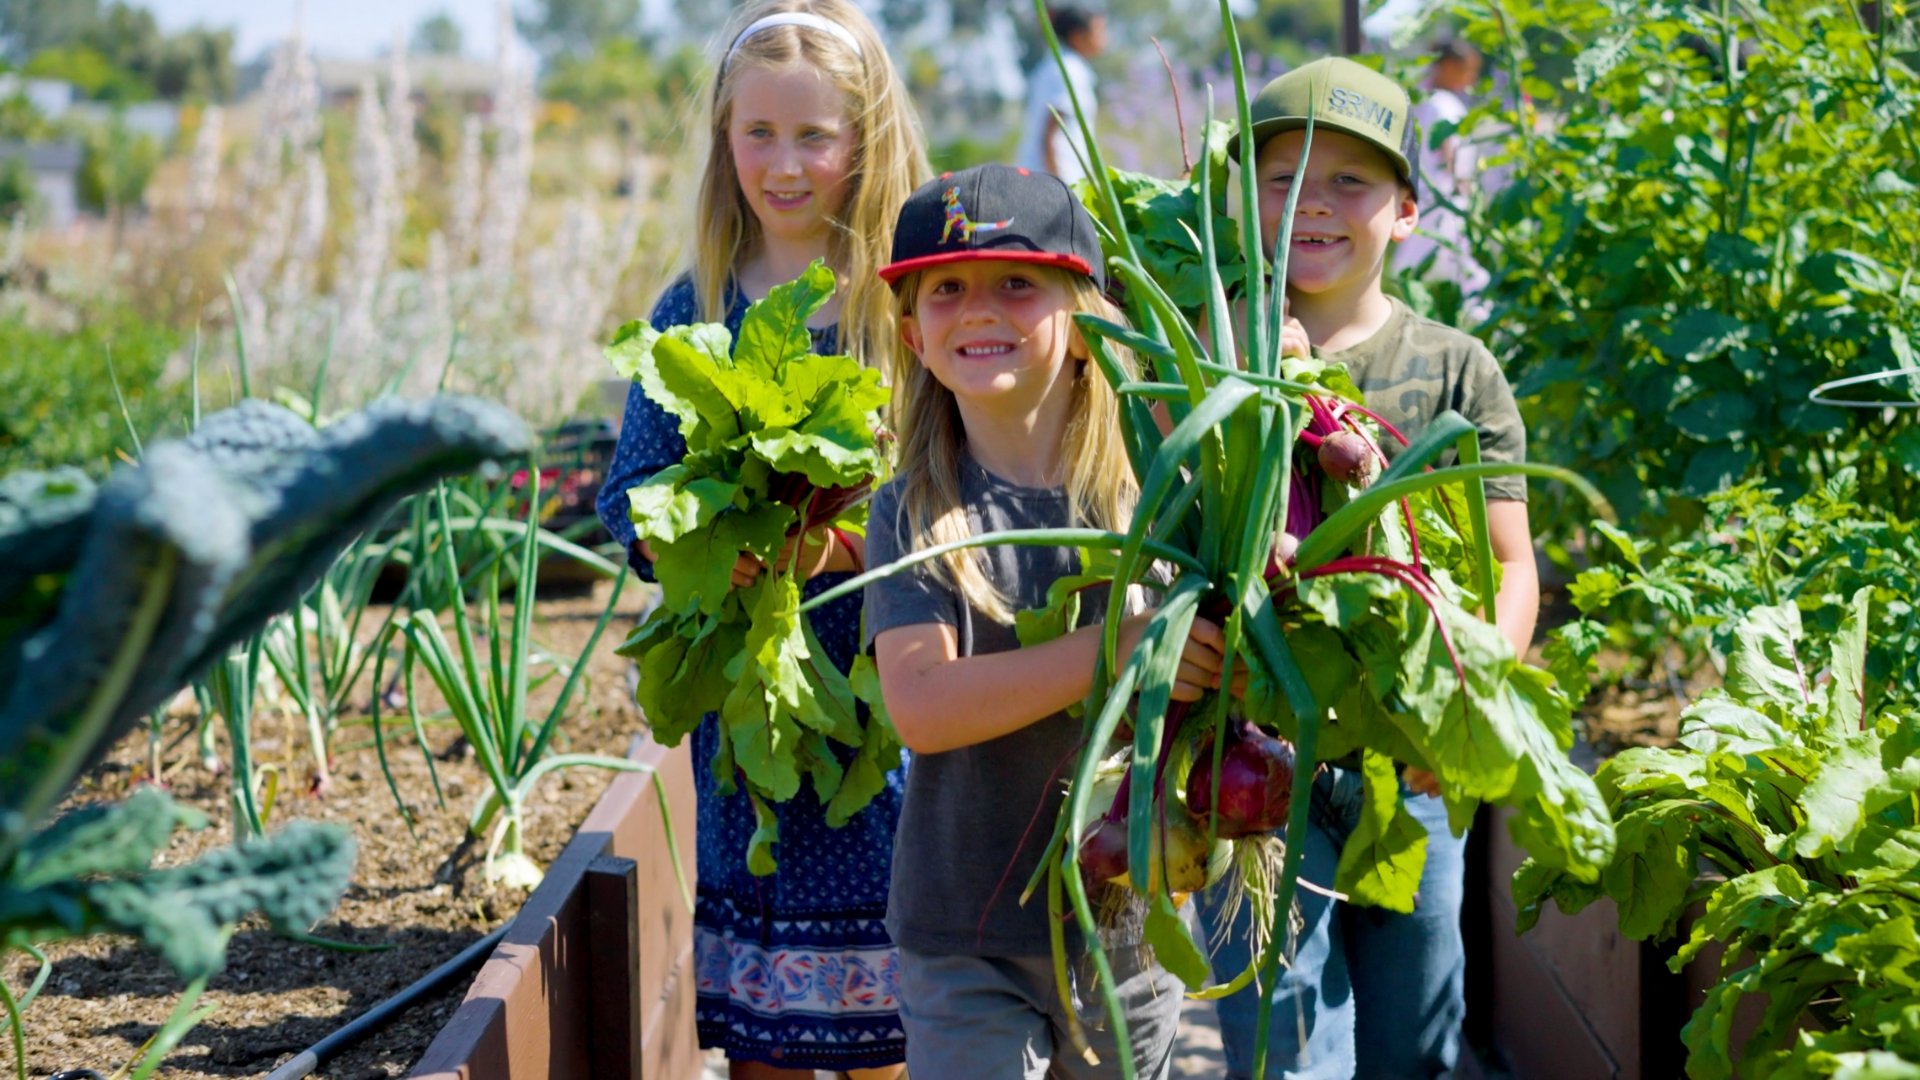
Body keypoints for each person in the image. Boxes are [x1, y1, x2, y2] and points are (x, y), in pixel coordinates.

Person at [592, 3, 928, 1076]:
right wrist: (704, 548)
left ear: (865, 141)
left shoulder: (903, 309)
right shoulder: (694, 307)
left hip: (887, 685)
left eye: (815, 137)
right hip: (748, 708)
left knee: (885, 1010)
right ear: (724, 139)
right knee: (765, 1032)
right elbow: (630, 497)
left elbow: (957, 494)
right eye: (759, 135)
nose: (785, 165)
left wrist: (845, 547)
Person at [1197, 56, 1537, 1079]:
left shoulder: (1454, 367)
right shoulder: (1212, 356)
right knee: (1282, 1040)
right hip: (1256, 750)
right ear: (1243, 200)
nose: (1314, 203)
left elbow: (1513, 563)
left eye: (1351, 181)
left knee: (1415, 1036)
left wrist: (1469, 703)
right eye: (1283, 177)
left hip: (1405, 755)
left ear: (1407, 212)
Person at [862, 163, 1231, 1080]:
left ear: (1087, 322)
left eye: (1017, 283)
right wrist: (1120, 651)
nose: (979, 310)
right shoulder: (912, 510)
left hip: (1126, 918)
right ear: (912, 335)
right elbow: (923, 708)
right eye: (945, 289)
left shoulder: (1164, 492)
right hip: (964, 928)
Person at [1392, 39, 1491, 305]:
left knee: (1420, 263)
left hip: (1427, 196)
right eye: (1468, 70)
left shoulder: (1424, 99)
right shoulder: (1443, 103)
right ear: (1447, 66)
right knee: (1460, 263)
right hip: (1446, 197)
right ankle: (1478, 315)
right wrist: (1465, 189)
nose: (1472, 77)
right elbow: (1450, 151)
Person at [1014, 3, 1109, 185]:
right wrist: (1060, 188)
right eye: (1099, 31)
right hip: (1051, 180)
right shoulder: (1069, 70)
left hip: (1044, 178)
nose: (1104, 38)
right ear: (1077, 36)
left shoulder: (1058, 65)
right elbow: (1050, 133)